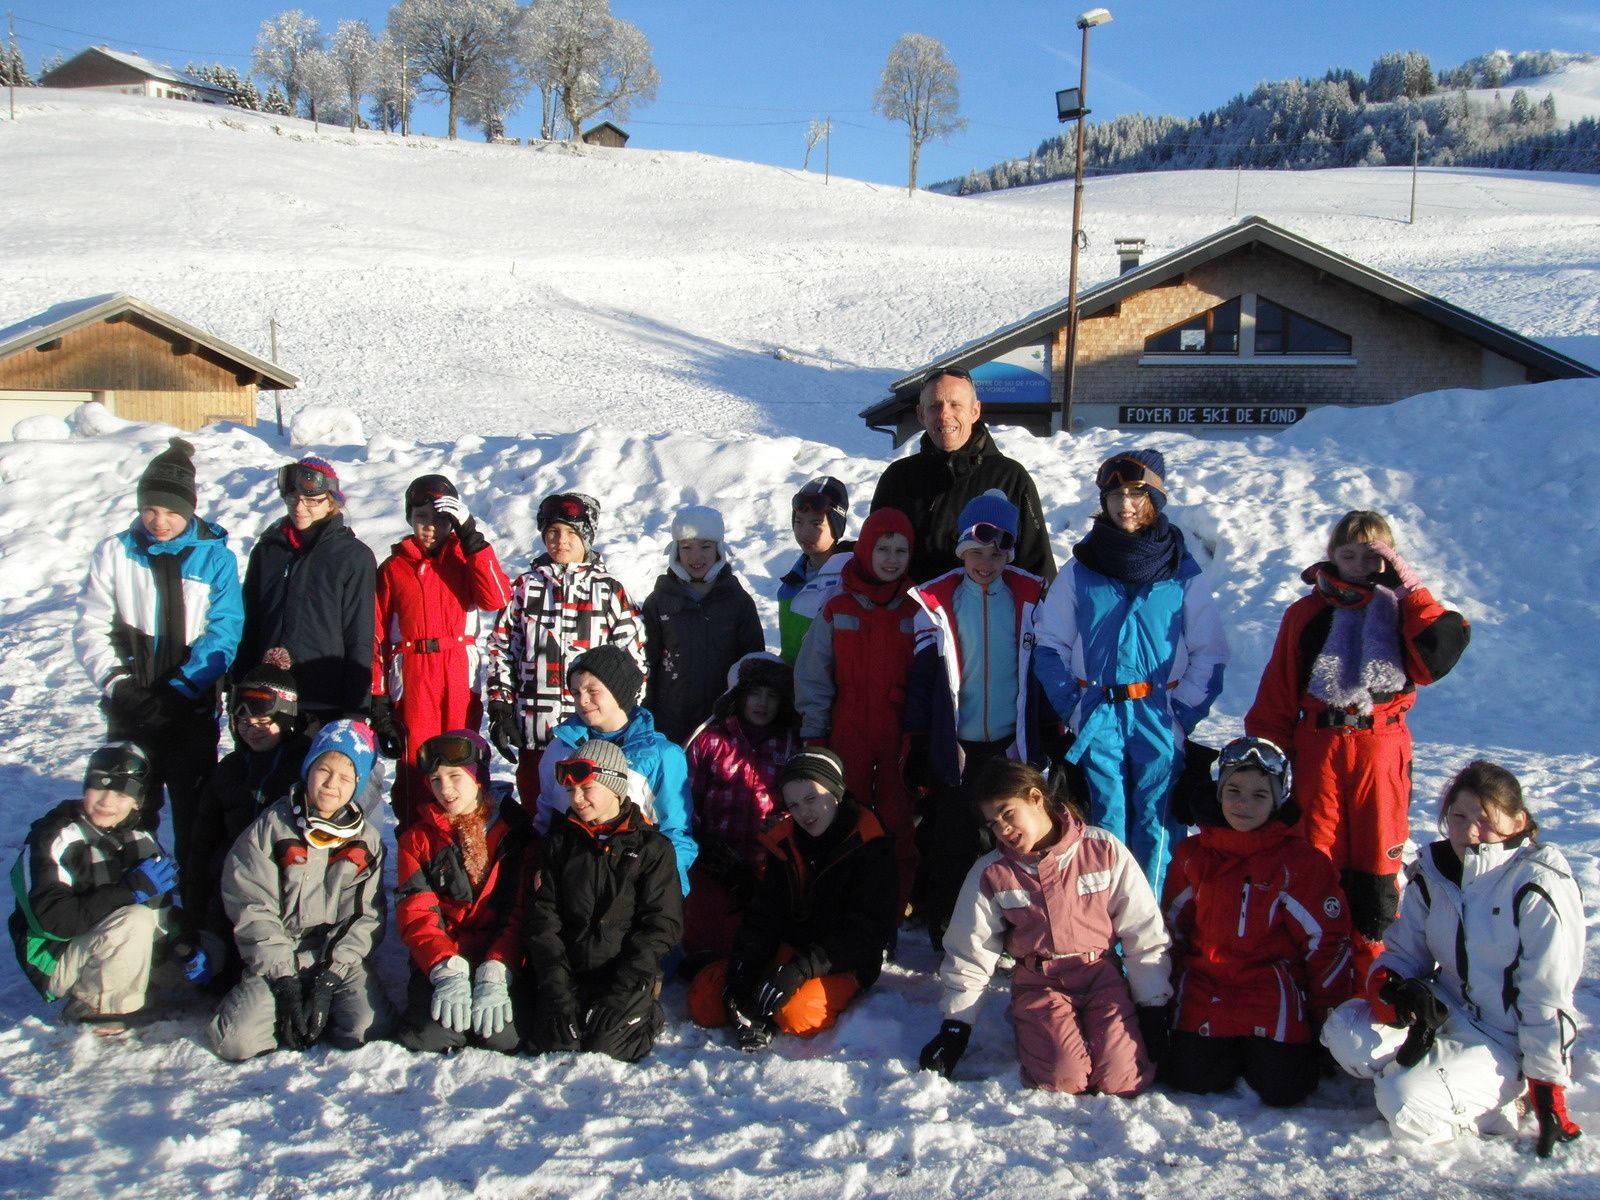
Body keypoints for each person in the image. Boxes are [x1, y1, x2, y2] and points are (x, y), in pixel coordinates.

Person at [1245, 510, 1469, 978]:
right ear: (1331, 557)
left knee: (1377, 853)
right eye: (1348, 555)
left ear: (1391, 559)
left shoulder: (1405, 611)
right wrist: (1264, 762)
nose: (1359, 565)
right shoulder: (1306, 615)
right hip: (1318, 746)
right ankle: (1313, 963)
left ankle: (1376, 968)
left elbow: (1438, 658)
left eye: (1373, 556)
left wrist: (1412, 592)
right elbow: (1277, 693)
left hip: (1379, 746)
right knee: (1315, 848)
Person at [1322, 761, 1584, 1157]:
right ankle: (1438, 1082)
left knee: (1402, 1101)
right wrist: (1390, 988)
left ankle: (1506, 1103)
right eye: (1459, 817)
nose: (1470, 831)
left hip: (1505, 1040)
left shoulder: (1538, 884)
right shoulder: (1436, 871)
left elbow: (1546, 995)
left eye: (1485, 819)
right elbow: (1404, 951)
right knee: (1346, 1032)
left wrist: (1549, 1088)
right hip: (1444, 1010)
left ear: (1519, 821)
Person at [1031, 449, 1229, 897]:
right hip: (1098, 714)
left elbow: (1209, 651)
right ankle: (1106, 932)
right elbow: (1049, 644)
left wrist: (1181, 715)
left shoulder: (1182, 572)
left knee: (1157, 822)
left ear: (1156, 498)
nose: (1125, 504)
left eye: (1137, 493)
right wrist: (1074, 706)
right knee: (1105, 822)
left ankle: (1153, 928)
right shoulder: (1082, 570)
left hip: (1158, 715)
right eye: (1114, 494)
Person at [918, 759, 1171, 1095]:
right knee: (1062, 1078)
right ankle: (1038, 1029)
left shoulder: (1102, 849)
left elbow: (1143, 929)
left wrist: (1153, 1007)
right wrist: (955, 1027)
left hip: (1101, 977)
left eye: (1008, 813)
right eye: (993, 823)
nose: (1003, 829)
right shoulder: (992, 872)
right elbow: (970, 949)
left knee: (1123, 1080)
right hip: (1041, 984)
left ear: (1036, 798)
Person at [73, 437, 243, 872]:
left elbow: (224, 632)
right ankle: (125, 895)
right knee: (128, 810)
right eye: (150, 509)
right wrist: (118, 685)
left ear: (189, 510)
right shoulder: (116, 551)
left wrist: (182, 688)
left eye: (171, 511)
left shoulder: (215, 559)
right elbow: (91, 625)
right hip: (131, 706)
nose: (159, 521)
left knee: (193, 814)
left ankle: (191, 899)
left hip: (189, 709)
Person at [1161, 736, 1353, 1107]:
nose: (1243, 804)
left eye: (1259, 796)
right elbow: (1171, 930)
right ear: (1218, 792)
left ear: (1278, 800)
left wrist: (1326, 1015)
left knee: (1284, 1089)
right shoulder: (1192, 855)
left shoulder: (1300, 863)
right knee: (1191, 1079)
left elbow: (1326, 942)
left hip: (1270, 988)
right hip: (1206, 984)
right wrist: (1162, 997)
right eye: (1233, 790)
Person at [904, 489, 1046, 947]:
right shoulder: (939, 601)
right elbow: (924, 678)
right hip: (958, 746)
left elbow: (1042, 672)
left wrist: (1047, 735)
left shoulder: (1029, 598)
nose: (986, 562)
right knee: (954, 840)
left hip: (1008, 744)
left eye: (997, 553)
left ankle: (1011, 931)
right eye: (977, 551)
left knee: (1009, 842)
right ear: (962, 548)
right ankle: (947, 929)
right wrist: (920, 739)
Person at [687, 748, 898, 1050]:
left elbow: (866, 932)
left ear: (836, 793)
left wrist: (801, 969)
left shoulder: (872, 845)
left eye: (812, 799)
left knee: (797, 1015)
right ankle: (754, 1006)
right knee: (706, 1002)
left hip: (841, 959)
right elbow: (764, 913)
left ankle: (772, 1009)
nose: (804, 813)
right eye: (794, 805)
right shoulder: (784, 840)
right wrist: (743, 972)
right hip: (789, 947)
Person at [209, 720, 395, 1060]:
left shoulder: (365, 839)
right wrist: (285, 981)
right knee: (235, 1043)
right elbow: (253, 907)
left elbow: (364, 915)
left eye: (344, 778)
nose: (330, 785)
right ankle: (273, 1006)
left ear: (357, 784)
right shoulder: (272, 827)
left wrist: (330, 977)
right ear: (308, 770)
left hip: (333, 956)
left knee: (369, 1028)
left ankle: (318, 1007)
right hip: (280, 952)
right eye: (323, 770)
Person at [10, 744, 208, 1034]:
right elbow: (52, 921)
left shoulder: (142, 841)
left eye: (121, 793)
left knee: (212, 948)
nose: (106, 801)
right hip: (58, 957)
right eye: (98, 787)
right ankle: (96, 1008)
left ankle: (136, 985)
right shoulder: (55, 838)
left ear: (138, 801)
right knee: (133, 921)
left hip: (111, 943)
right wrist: (129, 891)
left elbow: (159, 912)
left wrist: (185, 943)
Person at [523, 739, 683, 1063]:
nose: (577, 800)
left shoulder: (653, 849)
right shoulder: (559, 845)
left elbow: (661, 925)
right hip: (571, 973)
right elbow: (543, 919)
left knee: (605, 1046)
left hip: (624, 975)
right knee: (557, 1043)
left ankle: (645, 1013)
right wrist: (556, 988)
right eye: (570, 792)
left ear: (614, 786)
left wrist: (623, 987)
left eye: (586, 789)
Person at [793, 508, 919, 910]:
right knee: (847, 818)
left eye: (901, 550)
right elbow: (813, 676)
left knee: (899, 822)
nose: (891, 558)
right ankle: (845, 903)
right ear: (865, 549)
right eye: (883, 548)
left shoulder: (917, 609)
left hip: (900, 734)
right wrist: (815, 734)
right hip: (845, 734)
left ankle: (895, 906)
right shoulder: (837, 607)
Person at [485, 492, 646, 806]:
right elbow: (501, 648)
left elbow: (634, 658)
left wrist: (624, 716)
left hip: (593, 731)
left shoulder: (608, 590)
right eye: (553, 532)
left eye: (571, 532)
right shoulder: (524, 588)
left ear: (586, 536)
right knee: (539, 808)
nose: (561, 540)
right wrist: (500, 706)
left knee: (588, 808)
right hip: (536, 726)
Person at [371, 473, 512, 827]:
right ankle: (416, 842)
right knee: (418, 761)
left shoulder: (466, 560)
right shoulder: (393, 568)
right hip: (414, 673)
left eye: (439, 519)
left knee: (460, 757)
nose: (430, 527)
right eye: (421, 518)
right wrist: (379, 698)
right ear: (409, 518)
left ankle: (468, 836)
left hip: (456, 674)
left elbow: (497, 597)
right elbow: (375, 636)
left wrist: (471, 536)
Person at [184, 648, 313, 989]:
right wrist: (194, 918)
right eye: (243, 723)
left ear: (285, 720)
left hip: (284, 892)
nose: (251, 731)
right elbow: (201, 845)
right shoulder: (229, 772)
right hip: (229, 893)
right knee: (214, 984)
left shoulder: (305, 771)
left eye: (262, 723)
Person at [395, 731, 530, 1055]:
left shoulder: (516, 832)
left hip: (497, 955)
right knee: (430, 1036)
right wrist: (443, 968)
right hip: (446, 954)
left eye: (456, 776)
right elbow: (417, 913)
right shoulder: (417, 840)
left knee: (503, 1038)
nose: (446, 789)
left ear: (478, 777)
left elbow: (521, 910)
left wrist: (499, 968)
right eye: (436, 780)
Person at [535, 645, 697, 895]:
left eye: (592, 690)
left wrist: (667, 895)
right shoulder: (559, 749)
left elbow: (675, 832)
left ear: (619, 691)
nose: (582, 700)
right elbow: (546, 817)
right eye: (576, 693)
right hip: (569, 885)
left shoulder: (662, 756)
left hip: (632, 885)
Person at [869, 368, 1055, 584]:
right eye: (935, 406)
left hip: (988, 614)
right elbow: (872, 554)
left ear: (975, 411)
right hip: (911, 615)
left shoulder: (1010, 478)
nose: (945, 414)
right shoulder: (898, 478)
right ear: (921, 414)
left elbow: (1038, 570)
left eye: (955, 404)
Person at [235, 456, 376, 727]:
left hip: (322, 701)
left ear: (332, 502)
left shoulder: (353, 557)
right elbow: (251, 625)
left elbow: (359, 636)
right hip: (264, 699)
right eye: (293, 498)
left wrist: (355, 711)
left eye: (312, 500)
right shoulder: (267, 550)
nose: (300, 507)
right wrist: (239, 685)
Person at [681, 653, 800, 962]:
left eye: (772, 695)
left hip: (767, 863)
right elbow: (686, 800)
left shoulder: (790, 744)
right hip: (714, 861)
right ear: (739, 696)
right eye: (754, 693)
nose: (762, 703)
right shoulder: (710, 740)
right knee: (707, 941)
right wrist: (702, 849)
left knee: (764, 940)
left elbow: (799, 803)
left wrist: (781, 831)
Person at [641, 505, 765, 745]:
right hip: (669, 724)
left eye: (705, 547)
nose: (695, 556)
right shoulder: (659, 602)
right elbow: (647, 663)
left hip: (723, 724)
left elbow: (753, 663)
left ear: (718, 549)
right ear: (675, 551)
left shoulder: (738, 601)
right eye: (686, 547)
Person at [776, 477, 854, 663]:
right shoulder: (791, 584)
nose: (804, 532)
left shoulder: (851, 581)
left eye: (816, 523)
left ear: (836, 527)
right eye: (798, 522)